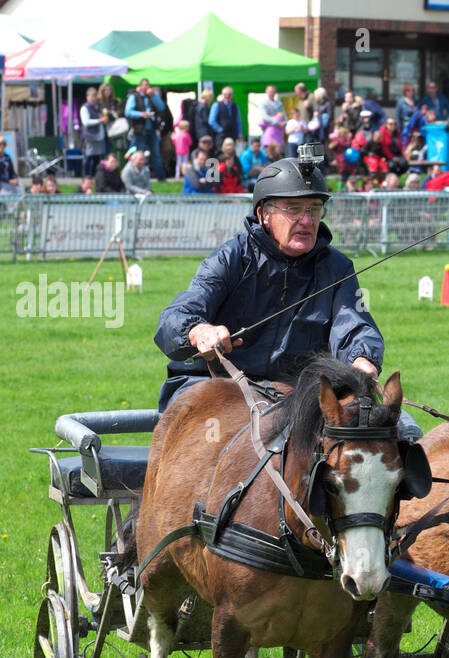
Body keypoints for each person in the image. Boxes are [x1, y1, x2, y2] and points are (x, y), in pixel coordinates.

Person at [154, 150, 415, 445]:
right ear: (264, 214)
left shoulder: (337, 267)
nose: (307, 220)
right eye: (294, 209)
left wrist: (362, 358)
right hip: (214, 385)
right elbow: (174, 317)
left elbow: (353, 324)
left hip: (294, 394)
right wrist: (198, 331)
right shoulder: (231, 258)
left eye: (314, 210)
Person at [125, 78, 166, 181]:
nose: (147, 87)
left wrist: (153, 96)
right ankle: (138, 177)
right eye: (145, 85)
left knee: (156, 153)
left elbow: (161, 107)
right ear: (140, 86)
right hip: (139, 130)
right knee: (139, 154)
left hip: (152, 129)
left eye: (148, 85)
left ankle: (161, 177)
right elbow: (128, 112)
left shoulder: (152, 96)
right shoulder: (134, 97)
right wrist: (140, 114)